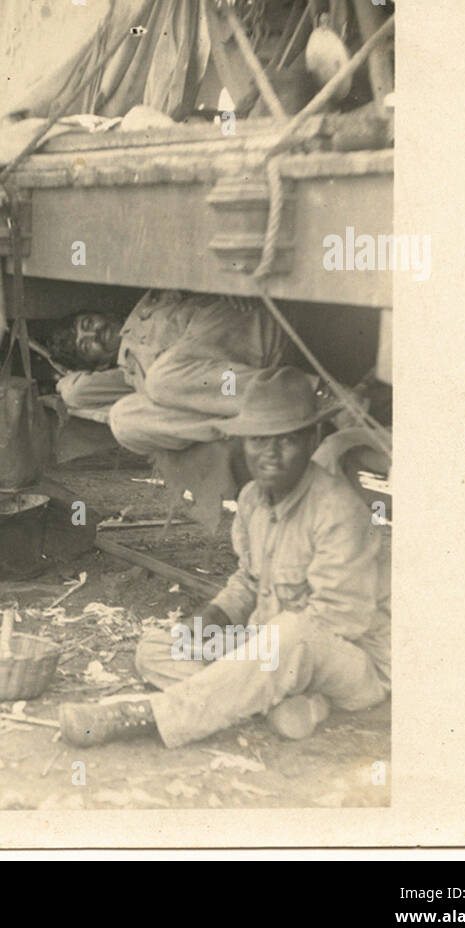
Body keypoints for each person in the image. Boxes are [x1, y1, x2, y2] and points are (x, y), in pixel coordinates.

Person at [59, 367, 390, 748]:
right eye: (258, 441)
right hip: (273, 654)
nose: (271, 454)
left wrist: (249, 648)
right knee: (157, 646)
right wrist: (215, 618)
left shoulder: (338, 510)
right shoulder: (251, 500)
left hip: (354, 667)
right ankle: (275, 705)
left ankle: (150, 715)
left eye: (286, 440)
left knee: (290, 635)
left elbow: (336, 623)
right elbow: (249, 582)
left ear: (312, 438)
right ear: (244, 444)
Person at [49, 289, 287, 452]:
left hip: (249, 329)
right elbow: (76, 393)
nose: (95, 335)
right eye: (86, 345)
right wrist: (63, 378)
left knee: (159, 381)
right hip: (233, 381)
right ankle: (258, 417)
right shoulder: (129, 375)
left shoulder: (150, 300)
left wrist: (226, 282)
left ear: (103, 313)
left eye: (88, 324)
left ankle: (291, 395)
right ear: (100, 365)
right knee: (123, 420)